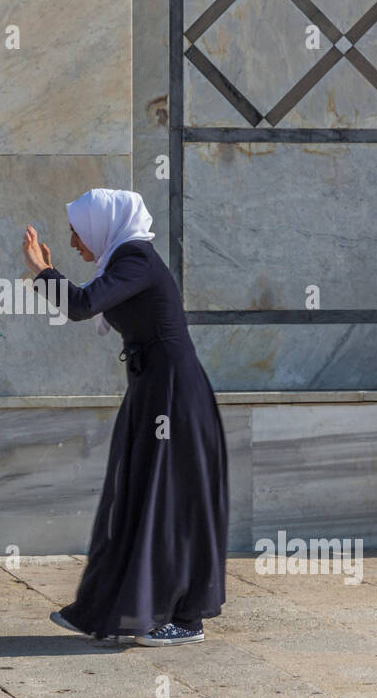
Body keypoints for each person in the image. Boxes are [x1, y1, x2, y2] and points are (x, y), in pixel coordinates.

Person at [22, 188, 229, 647]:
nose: (75, 243)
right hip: (153, 389)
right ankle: (105, 608)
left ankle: (184, 617)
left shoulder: (135, 259)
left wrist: (42, 270)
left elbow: (80, 306)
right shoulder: (123, 261)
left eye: (79, 232)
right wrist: (51, 274)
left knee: (169, 499)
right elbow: (87, 299)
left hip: (173, 394)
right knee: (135, 497)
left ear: (102, 226)